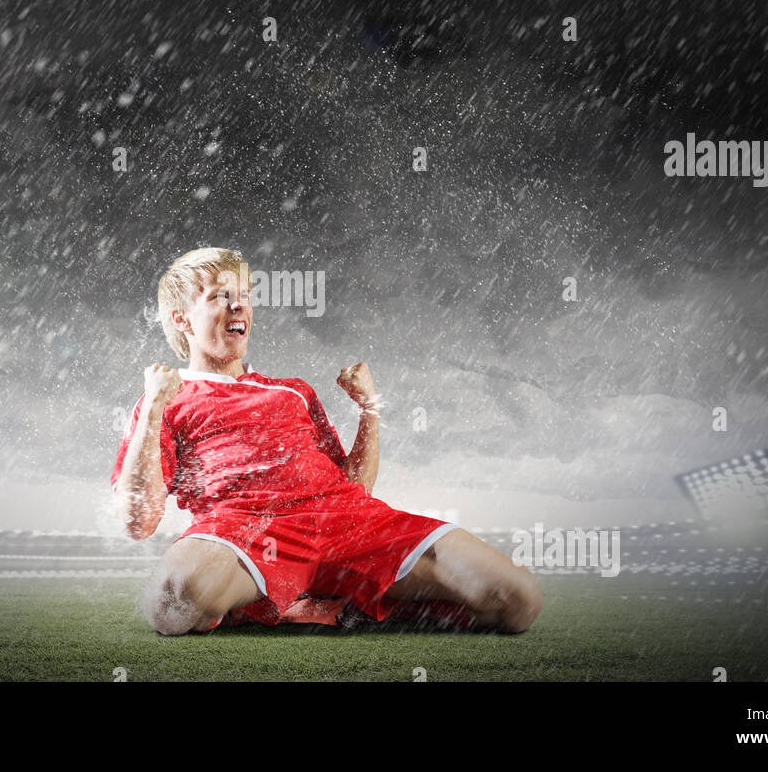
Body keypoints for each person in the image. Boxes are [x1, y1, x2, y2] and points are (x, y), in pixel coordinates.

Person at [109, 247, 542, 635]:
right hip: (248, 528)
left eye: (243, 293)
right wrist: (150, 412)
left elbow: (356, 488)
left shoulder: (294, 391)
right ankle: (266, 600)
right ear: (182, 319)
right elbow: (137, 521)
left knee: (519, 601)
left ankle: (339, 604)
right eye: (220, 295)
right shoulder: (167, 398)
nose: (238, 303)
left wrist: (369, 410)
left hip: (350, 522)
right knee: (172, 602)